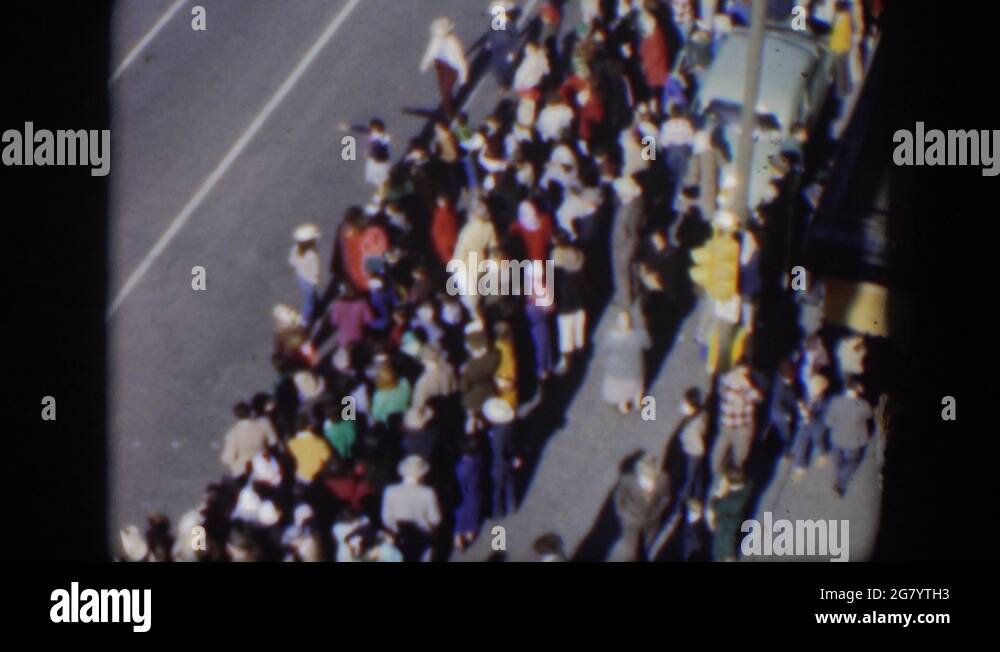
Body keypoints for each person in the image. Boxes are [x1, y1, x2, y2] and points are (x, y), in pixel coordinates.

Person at [381, 455, 442, 561]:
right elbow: (436, 519)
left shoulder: (390, 491)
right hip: (423, 538)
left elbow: (386, 518)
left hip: (400, 537)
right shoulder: (428, 492)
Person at [611, 453, 671, 561]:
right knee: (631, 552)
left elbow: (665, 498)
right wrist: (623, 515)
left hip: (652, 520)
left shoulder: (663, 479)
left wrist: (657, 512)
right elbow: (619, 498)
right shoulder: (628, 481)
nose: (649, 481)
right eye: (646, 477)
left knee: (648, 547)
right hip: (632, 521)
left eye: (652, 477)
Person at [710, 362, 764, 479]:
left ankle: (730, 476)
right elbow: (758, 398)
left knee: (738, 456)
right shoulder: (735, 383)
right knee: (721, 456)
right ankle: (724, 476)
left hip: (741, 426)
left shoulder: (733, 381)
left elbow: (758, 397)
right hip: (731, 425)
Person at [826, 377, 873, 496]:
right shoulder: (863, 405)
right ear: (858, 389)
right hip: (854, 441)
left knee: (837, 460)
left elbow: (829, 422)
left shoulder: (835, 401)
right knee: (852, 461)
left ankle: (837, 476)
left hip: (837, 438)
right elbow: (869, 415)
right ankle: (840, 483)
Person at [601, 309, 651, 414]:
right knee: (638, 383)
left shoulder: (612, 337)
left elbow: (605, 348)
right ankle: (638, 402)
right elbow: (648, 345)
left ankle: (623, 405)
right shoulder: (638, 335)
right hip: (635, 368)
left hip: (617, 370)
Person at [552, 232, 587, 375]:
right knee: (579, 328)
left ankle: (567, 362)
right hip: (580, 299)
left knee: (566, 333)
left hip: (566, 303)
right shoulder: (578, 255)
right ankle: (580, 352)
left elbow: (554, 283)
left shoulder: (559, 263)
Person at [420, 17, 469, 119]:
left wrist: (463, 77)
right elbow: (431, 51)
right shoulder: (436, 39)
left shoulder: (453, 42)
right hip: (440, 64)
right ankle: (449, 104)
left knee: (445, 91)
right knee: (442, 87)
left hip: (450, 67)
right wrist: (425, 64)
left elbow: (461, 61)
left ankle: (449, 112)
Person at [790, 372, 831, 482]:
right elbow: (803, 401)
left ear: (820, 389)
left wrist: (810, 417)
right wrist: (802, 408)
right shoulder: (807, 392)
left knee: (820, 443)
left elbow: (824, 420)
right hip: (805, 424)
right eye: (810, 386)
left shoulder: (825, 403)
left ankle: (823, 455)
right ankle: (800, 467)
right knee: (800, 444)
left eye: (813, 387)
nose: (810, 389)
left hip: (817, 427)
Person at [707, 465, 753, 562]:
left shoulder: (729, 502)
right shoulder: (747, 484)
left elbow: (714, 507)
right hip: (734, 523)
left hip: (726, 531)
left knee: (724, 554)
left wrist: (719, 493)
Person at [483, 397, 519, 518]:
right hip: (509, 460)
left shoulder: (498, 435)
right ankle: (512, 505)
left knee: (497, 489)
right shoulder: (509, 427)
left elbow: (498, 452)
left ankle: (497, 512)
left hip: (499, 464)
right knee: (510, 483)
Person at [220, 401, 273, 477]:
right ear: (250, 411)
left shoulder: (232, 434)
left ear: (236, 416)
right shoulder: (263, 424)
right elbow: (273, 442)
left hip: (243, 472)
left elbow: (229, 458)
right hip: (264, 466)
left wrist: (224, 459)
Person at [677, 387, 709, 505]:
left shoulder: (694, 424)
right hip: (695, 451)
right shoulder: (700, 414)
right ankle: (698, 494)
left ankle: (686, 497)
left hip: (694, 452)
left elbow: (696, 440)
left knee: (690, 475)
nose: (682, 405)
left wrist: (686, 445)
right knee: (697, 474)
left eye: (685, 403)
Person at [453, 435, 484, 551]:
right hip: (474, 492)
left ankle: (458, 538)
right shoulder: (478, 459)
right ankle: (469, 535)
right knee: (473, 513)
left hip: (463, 491)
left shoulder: (462, 468)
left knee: (460, 514)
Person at [765, 359, 799, 454]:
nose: (791, 380)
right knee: (785, 434)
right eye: (790, 378)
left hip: (785, 409)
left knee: (786, 432)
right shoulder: (779, 388)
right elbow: (777, 405)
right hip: (779, 415)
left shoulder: (782, 377)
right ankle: (788, 451)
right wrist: (785, 415)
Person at [289, 223, 321, 323]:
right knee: (309, 302)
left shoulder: (295, 249)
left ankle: (317, 304)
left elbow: (292, 262)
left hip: (301, 277)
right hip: (309, 281)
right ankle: (304, 321)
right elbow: (315, 270)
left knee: (309, 295)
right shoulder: (312, 254)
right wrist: (315, 279)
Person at [287, 416, 332, 484]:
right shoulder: (320, 443)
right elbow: (328, 458)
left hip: (299, 475)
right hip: (316, 478)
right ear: (309, 427)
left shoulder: (291, 443)